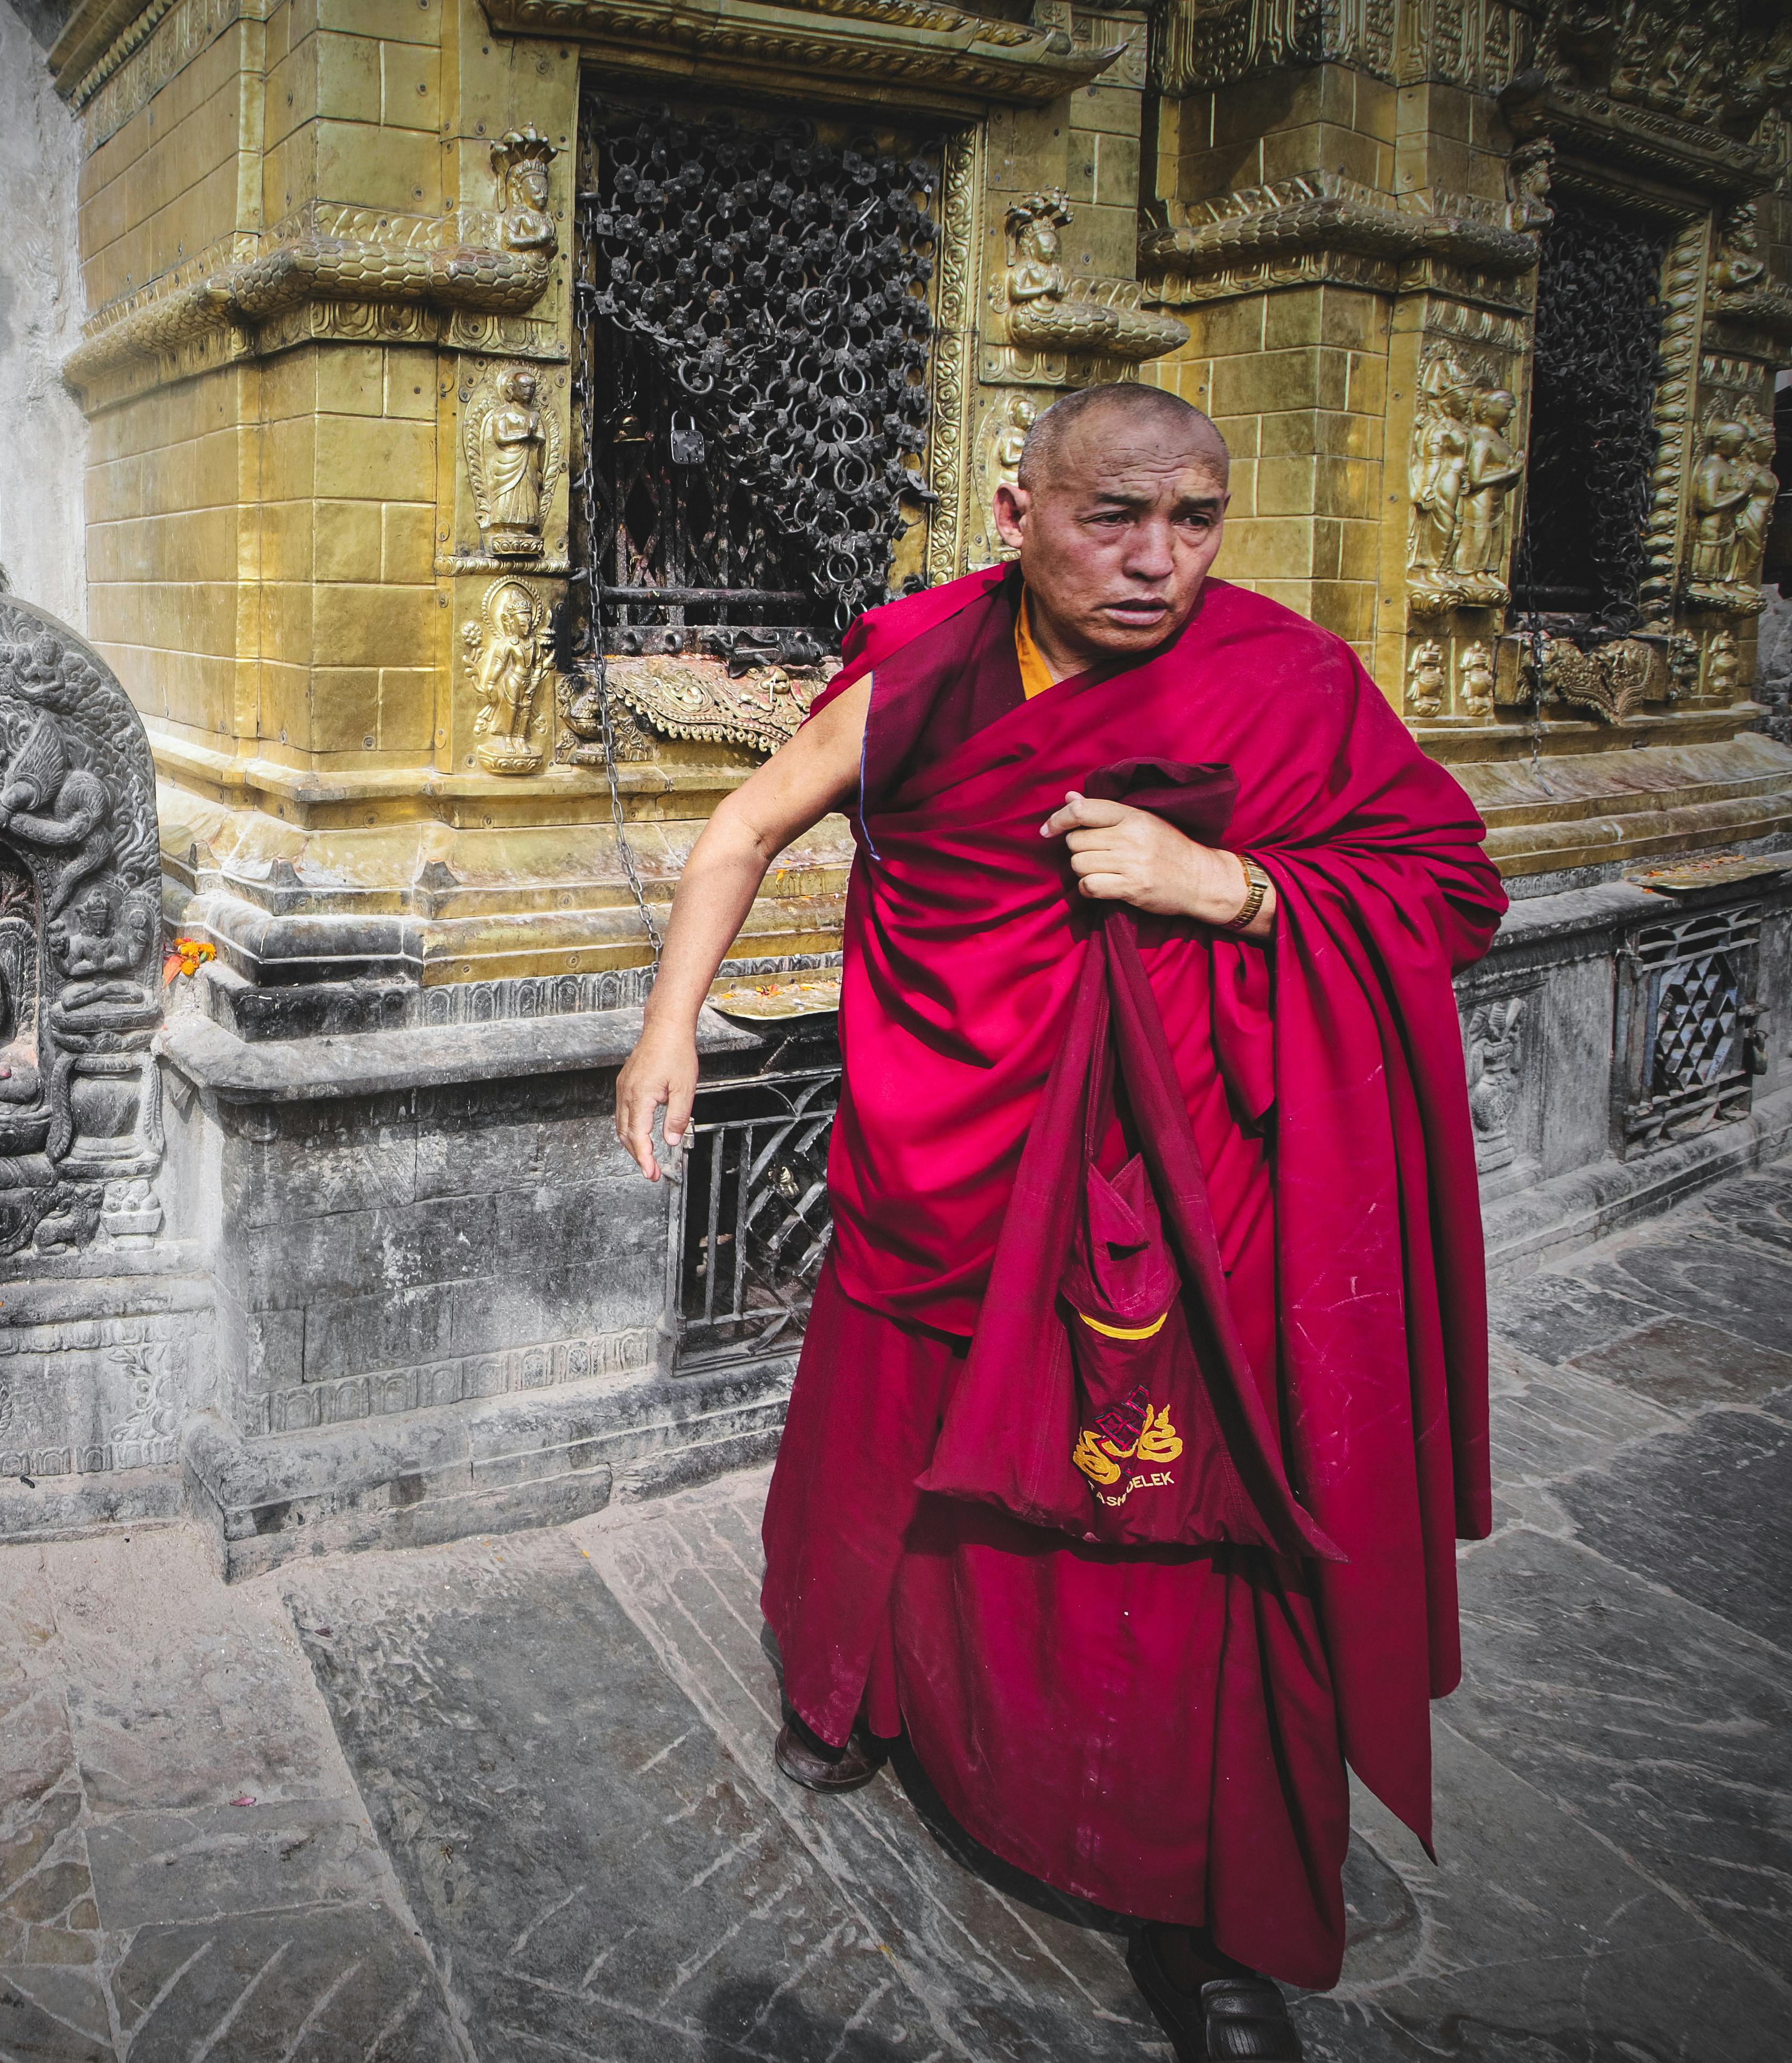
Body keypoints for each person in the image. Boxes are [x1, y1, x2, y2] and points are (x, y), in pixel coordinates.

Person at [614, 382, 1503, 2060]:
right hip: (940, 1143)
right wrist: (670, 1025)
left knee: (1167, 1511)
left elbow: (1444, 881)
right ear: (1017, 515)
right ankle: (856, 1694)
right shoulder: (932, 669)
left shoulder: (1290, 684)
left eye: (1196, 520)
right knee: (898, 1441)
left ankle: (1201, 1904)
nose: (1159, 561)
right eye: (1115, 518)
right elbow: (742, 826)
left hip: (1160, 1190)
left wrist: (1220, 886)